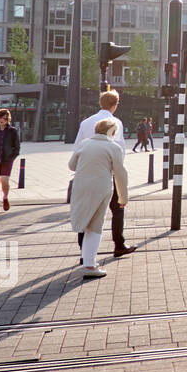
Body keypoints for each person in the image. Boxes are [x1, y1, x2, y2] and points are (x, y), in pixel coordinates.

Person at [75, 90, 135, 258]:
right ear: (115, 105)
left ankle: (84, 252)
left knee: (87, 211)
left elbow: (77, 148)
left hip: (86, 173)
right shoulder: (116, 122)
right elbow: (120, 150)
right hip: (108, 173)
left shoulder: (86, 122)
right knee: (117, 208)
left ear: (100, 103)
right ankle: (119, 244)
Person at [68, 119, 129, 279]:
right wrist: (123, 197)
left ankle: (88, 262)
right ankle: (89, 264)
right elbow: (121, 174)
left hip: (80, 186)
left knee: (85, 223)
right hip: (101, 188)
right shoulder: (113, 147)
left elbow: (72, 165)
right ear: (111, 132)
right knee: (95, 226)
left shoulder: (84, 143)